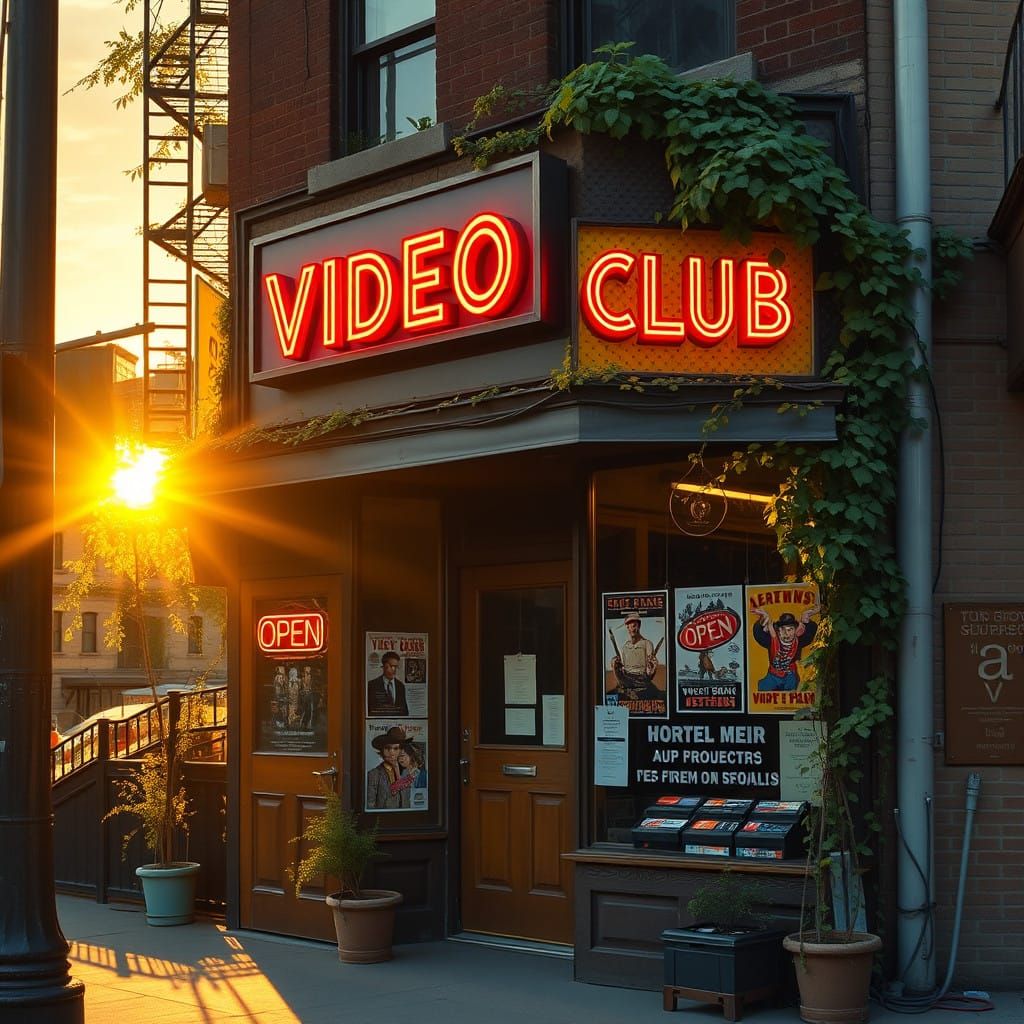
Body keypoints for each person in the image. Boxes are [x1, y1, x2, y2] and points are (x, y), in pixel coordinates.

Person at [752, 605, 820, 691]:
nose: (786, 633)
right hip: (773, 676)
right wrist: (762, 620)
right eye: (783, 629)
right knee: (762, 688)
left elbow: (810, 632)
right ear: (778, 630)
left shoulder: (799, 641)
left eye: (790, 629)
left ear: (795, 630)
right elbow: (759, 634)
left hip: (790, 676)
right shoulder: (771, 640)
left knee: (790, 693)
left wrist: (806, 619)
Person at [610, 611, 662, 699]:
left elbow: (650, 670)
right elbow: (623, 667)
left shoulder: (647, 644)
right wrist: (616, 664)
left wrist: (652, 668)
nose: (631, 629)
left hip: (642, 680)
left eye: (634, 626)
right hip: (626, 680)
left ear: (639, 626)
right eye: (628, 627)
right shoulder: (625, 647)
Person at [366, 725, 409, 810]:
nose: (391, 752)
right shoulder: (374, 774)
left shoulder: (405, 773)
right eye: (387, 748)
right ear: (382, 750)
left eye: (396, 748)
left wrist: (397, 769)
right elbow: (370, 804)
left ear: (400, 751)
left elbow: (406, 800)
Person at [367, 652, 409, 716]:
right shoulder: (371, 685)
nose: (393, 670)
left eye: (395, 666)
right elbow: (370, 710)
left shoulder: (401, 686)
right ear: (384, 666)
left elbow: (405, 712)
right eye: (391, 666)